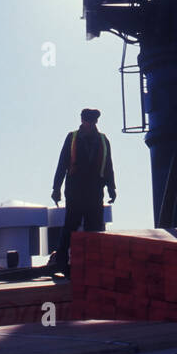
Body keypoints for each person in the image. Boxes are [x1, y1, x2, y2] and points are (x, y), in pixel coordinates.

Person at [48, 108, 115, 277]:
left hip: (94, 191)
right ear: (82, 120)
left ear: (96, 122)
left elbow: (108, 166)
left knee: (95, 229)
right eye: (87, 120)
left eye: (92, 121)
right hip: (75, 190)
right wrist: (56, 188)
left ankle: (94, 266)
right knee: (70, 226)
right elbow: (62, 164)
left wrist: (111, 187)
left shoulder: (103, 140)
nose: (89, 123)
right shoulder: (72, 138)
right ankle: (62, 264)